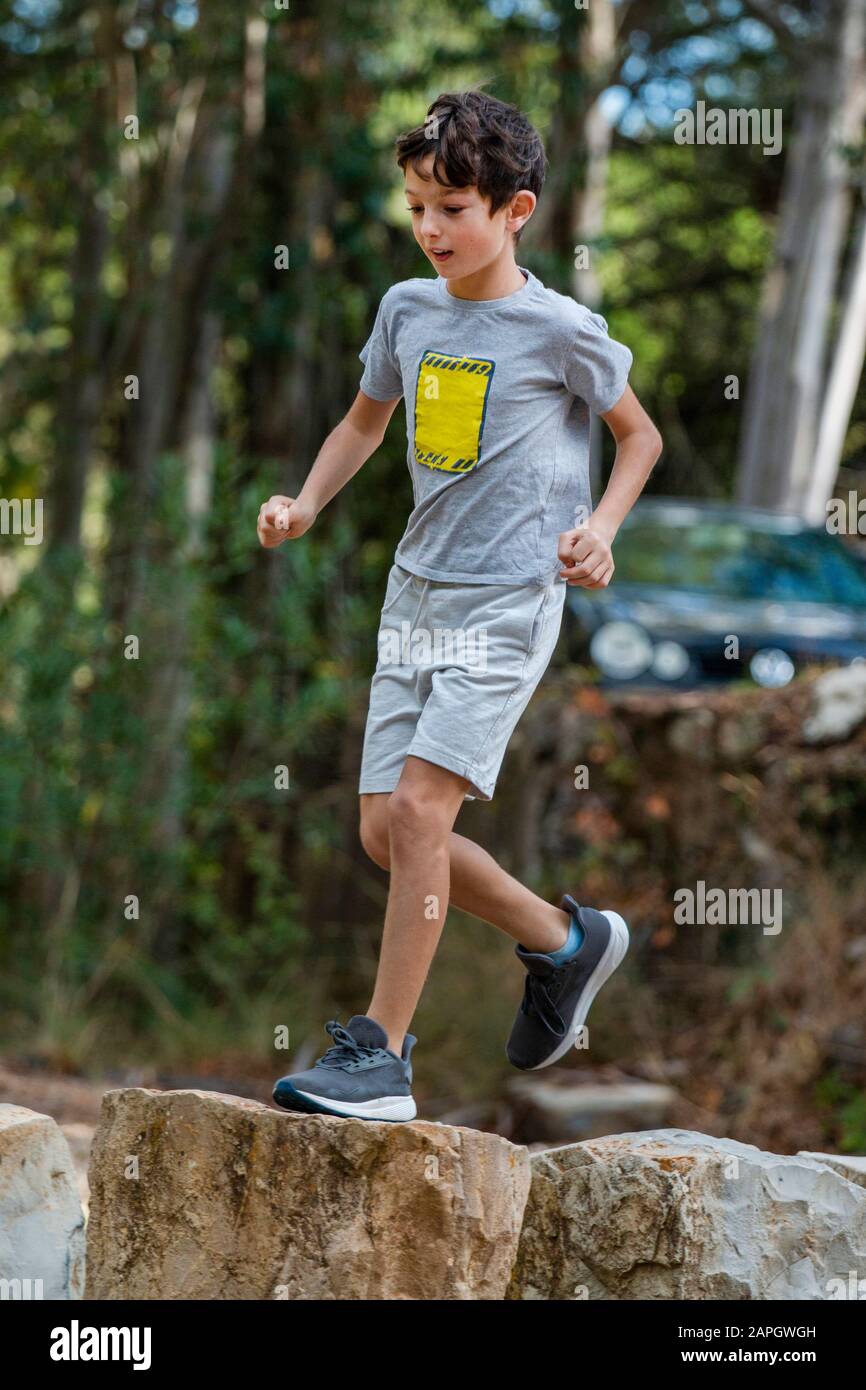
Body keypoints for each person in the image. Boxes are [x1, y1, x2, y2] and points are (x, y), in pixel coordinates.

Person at [257, 88, 663, 1122]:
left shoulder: (557, 328)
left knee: (419, 810)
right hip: (415, 592)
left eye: (453, 209)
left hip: (506, 598)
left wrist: (600, 529)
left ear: (514, 211)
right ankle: (565, 942)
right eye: (416, 210)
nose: (432, 229)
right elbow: (361, 422)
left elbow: (638, 435)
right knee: (385, 834)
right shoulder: (406, 309)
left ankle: (381, 1056)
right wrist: (303, 500)